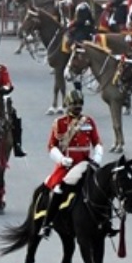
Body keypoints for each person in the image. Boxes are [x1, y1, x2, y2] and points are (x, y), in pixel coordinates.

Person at [39, 88, 103, 238]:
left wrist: (97, 157)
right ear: (68, 105)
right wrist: (61, 159)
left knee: (102, 187)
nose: (78, 107)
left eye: (80, 104)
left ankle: (105, 221)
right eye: (74, 105)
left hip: (86, 164)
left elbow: (97, 142)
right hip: (67, 166)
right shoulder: (60, 123)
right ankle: (47, 224)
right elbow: (52, 146)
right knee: (58, 189)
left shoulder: (88, 122)